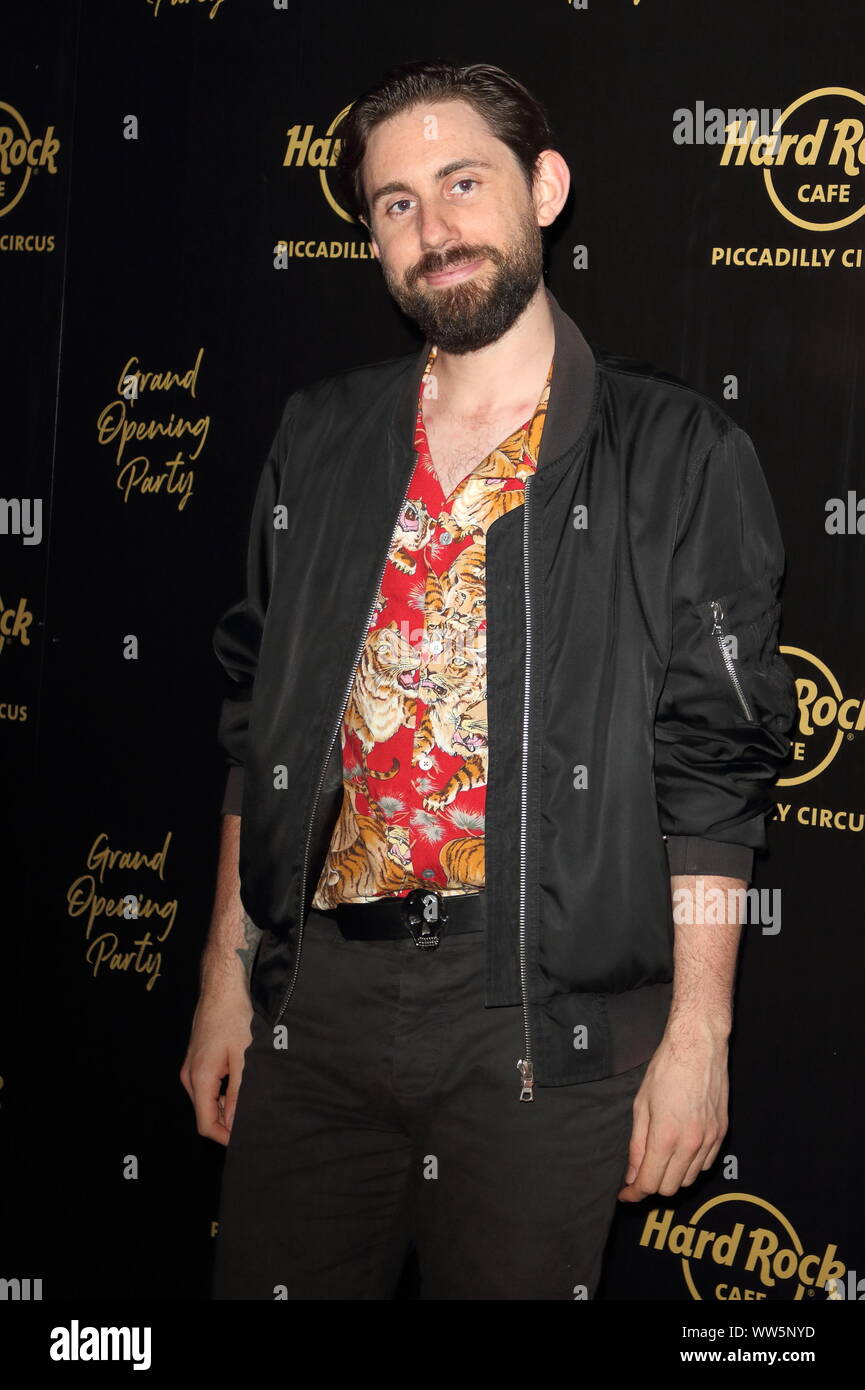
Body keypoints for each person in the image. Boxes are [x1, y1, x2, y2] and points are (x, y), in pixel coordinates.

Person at [180, 59, 796, 1300]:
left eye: (463, 183)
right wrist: (222, 978)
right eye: (394, 202)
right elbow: (261, 724)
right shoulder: (322, 437)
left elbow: (715, 768)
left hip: (540, 1023)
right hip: (322, 1001)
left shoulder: (677, 453)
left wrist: (699, 1032)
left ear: (545, 188)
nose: (432, 227)